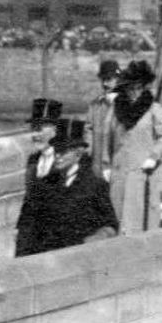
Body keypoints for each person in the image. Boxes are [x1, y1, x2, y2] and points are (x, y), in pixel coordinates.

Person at [30, 119, 118, 252]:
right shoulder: (45, 184)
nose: (58, 156)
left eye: (64, 151)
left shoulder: (95, 185)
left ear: (78, 154)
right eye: (56, 151)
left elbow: (111, 225)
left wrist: (95, 239)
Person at [109, 60, 162, 234]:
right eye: (129, 89)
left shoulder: (153, 109)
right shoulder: (117, 111)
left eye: (137, 88)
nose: (133, 93)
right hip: (121, 171)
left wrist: (154, 156)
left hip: (144, 171)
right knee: (120, 217)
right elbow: (109, 138)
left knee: (143, 216)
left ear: (144, 87)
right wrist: (108, 165)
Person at [14, 98, 64, 257]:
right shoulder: (33, 160)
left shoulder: (64, 162)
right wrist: (19, 228)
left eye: (41, 129)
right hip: (30, 238)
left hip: (54, 240)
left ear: (55, 131)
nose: (35, 135)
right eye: (33, 129)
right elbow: (29, 199)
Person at [86, 59, 121, 182]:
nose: (105, 84)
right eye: (103, 79)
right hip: (98, 169)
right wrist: (87, 153)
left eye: (109, 79)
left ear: (118, 79)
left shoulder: (126, 105)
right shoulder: (95, 105)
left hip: (118, 168)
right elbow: (88, 131)